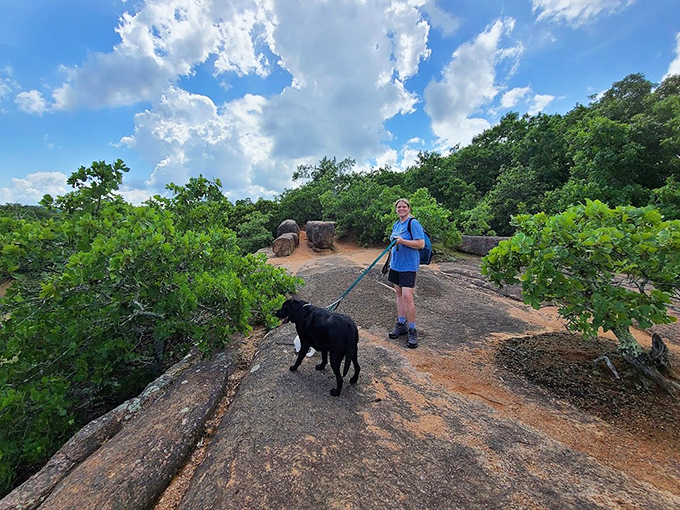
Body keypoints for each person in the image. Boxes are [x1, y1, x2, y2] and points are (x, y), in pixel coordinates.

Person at [387, 198, 425, 348]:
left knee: (407, 296)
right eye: (399, 207)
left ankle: (413, 329)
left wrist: (403, 242)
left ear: (409, 208)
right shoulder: (396, 224)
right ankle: (401, 323)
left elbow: (420, 244)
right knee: (398, 294)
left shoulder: (413, 223)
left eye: (404, 206)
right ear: (396, 210)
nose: (401, 209)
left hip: (408, 266)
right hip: (396, 264)